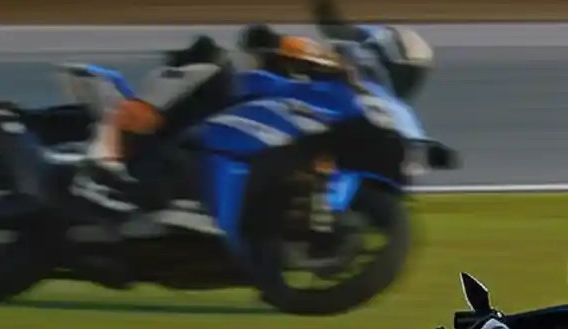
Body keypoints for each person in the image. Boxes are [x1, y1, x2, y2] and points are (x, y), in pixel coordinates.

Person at [69, 22, 432, 230]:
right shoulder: (335, 66)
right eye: (401, 70)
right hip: (229, 107)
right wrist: (279, 45)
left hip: (261, 147)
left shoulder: (362, 113)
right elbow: (260, 41)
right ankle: (106, 161)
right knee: (212, 62)